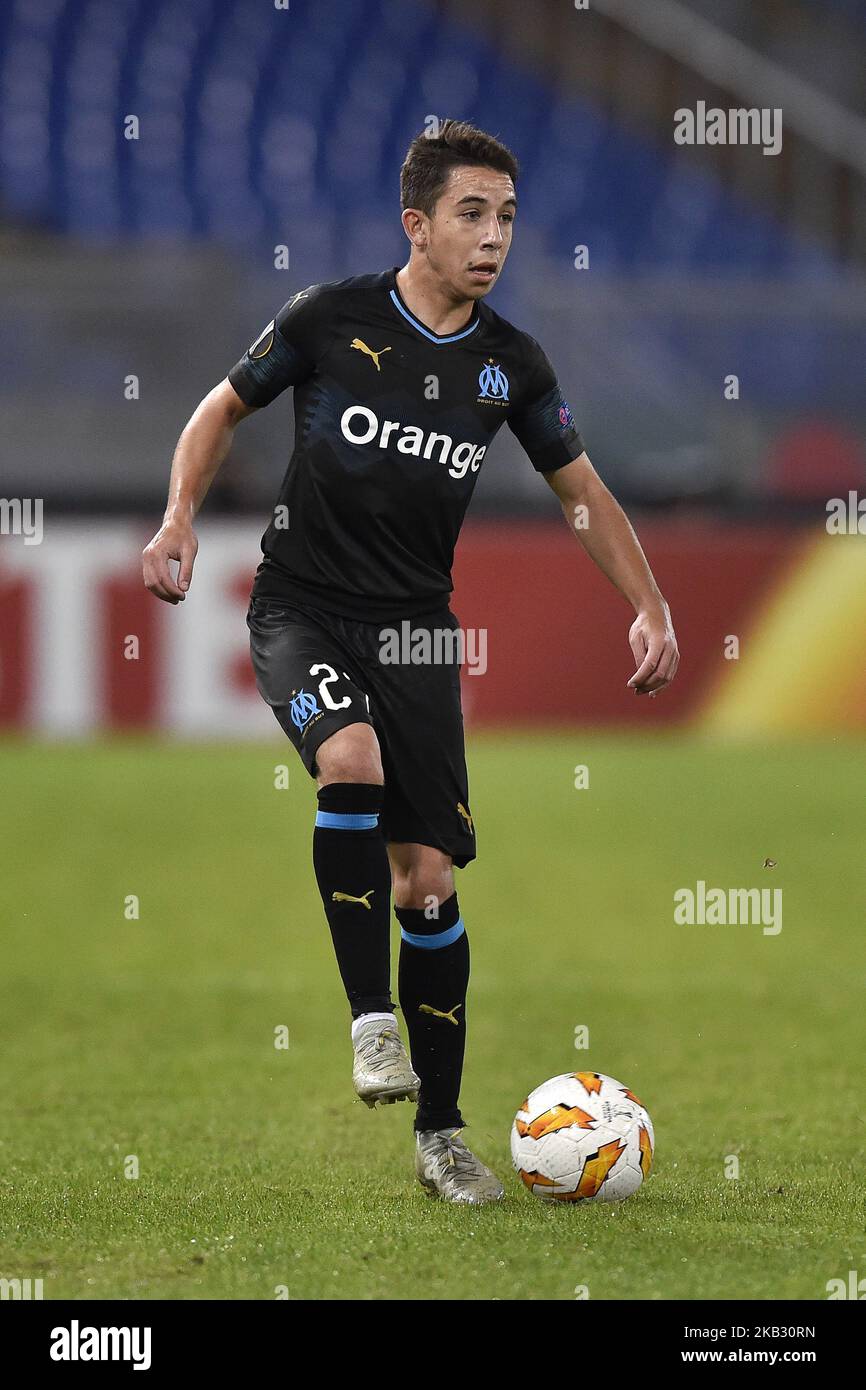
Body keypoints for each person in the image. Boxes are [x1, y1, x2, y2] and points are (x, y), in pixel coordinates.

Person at [143, 120, 679, 1205]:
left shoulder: (510, 366)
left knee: (427, 882)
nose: (493, 238)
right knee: (349, 757)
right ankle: (368, 1019)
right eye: (472, 214)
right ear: (417, 224)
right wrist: (178, 518)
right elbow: (217, 408)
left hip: (417, 634)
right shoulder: (326, 317)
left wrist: (650, 606)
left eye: (508, 218)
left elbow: (581, 493)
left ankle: (440, 1136)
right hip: (300, 607)